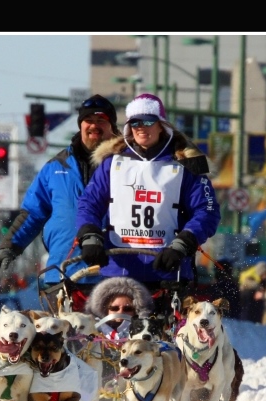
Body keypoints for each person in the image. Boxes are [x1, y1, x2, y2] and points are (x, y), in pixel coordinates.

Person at [75, 93, 220, 318]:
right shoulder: (112, 163)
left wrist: (183, 244)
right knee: (114, 337)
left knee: (164, 338)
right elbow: (89, 204)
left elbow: (207, 211)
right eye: (135, 122)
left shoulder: (185, 165)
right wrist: (90, 236)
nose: (141, 128)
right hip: (119, 270)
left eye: (148, 121)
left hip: (168, 271)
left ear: (162, 125)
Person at [0, 94, 121, 307]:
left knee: (115, 331)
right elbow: (32, 213)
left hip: (115, 273)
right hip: (65, 272)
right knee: (66, 330)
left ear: (112, 127)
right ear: (80, 125)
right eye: (88, 120)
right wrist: (9, 247)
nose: (94, 126)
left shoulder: (129, 165)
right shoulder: (55, 167)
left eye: (101, 120)